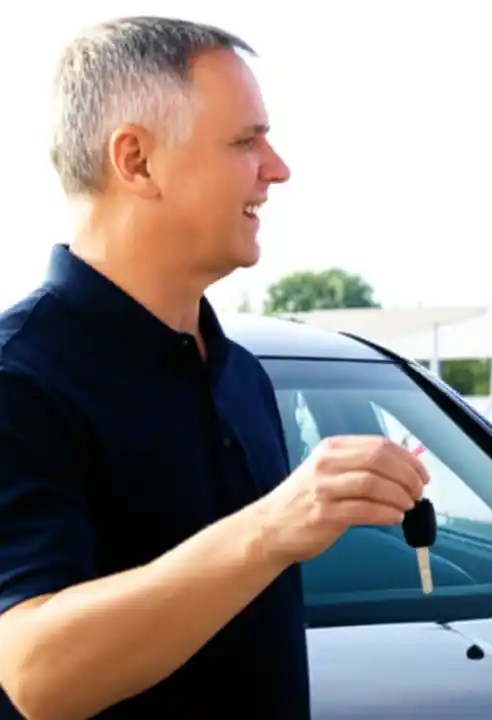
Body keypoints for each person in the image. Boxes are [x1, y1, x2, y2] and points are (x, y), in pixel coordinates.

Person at [0, 17, 429, 719]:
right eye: (244, 141)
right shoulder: (19, 380)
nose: (278, 168)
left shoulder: (241, 375)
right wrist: (271, 528)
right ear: (135, 161)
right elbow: (36, 674)